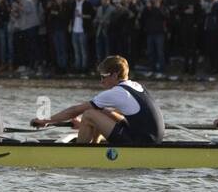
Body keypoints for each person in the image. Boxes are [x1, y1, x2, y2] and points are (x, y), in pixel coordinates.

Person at [30, 55, 164, 145]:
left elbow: (75, 110)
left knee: (89, 113)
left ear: (115, 75)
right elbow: (118, 116)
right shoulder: (136, 86)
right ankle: (94, 144)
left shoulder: (116, 92)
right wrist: (84, 125)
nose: (101, 81)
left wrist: (46, 121)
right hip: (153, 138)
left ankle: (79, 154)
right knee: (102, 111)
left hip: (141, 142)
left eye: (103, 76)